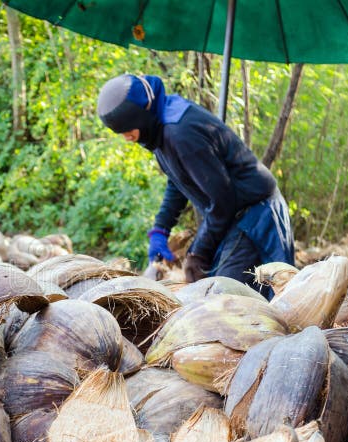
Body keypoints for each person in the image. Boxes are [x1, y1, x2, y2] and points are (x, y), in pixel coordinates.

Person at [96, 74, 294, 289]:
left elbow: (222, 200)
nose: (126, 137)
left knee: (227, 297)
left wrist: (199, 252)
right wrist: (160, 230)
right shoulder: (159, 125)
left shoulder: (181, 133)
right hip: (231, 214)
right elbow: (178, 181)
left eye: (127, 129)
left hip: (255, 215)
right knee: (215, 292)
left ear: (140, 117)